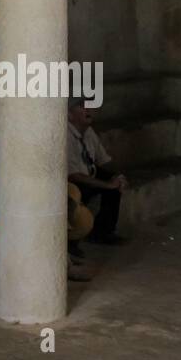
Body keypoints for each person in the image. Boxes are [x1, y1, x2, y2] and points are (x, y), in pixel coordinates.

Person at [0, 130, 91, 282]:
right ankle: (63, 265)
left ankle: (64, 254)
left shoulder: (22, 139)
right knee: (40, 209)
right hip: (1, 193)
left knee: (58, 198)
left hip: (20, 190)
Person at [66, 97, 128, 251]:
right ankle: (72, 240)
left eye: (89, 106)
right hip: (73, 181)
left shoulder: (88, 132)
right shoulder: (66, 135)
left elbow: (103, 160)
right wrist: (107, 185)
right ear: (69, 114)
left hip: (87, 171)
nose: (88, 109)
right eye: (81, 106)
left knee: (114, 186)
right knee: (80, 193)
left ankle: (103, 232)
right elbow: (73, 175)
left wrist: (117, 177)